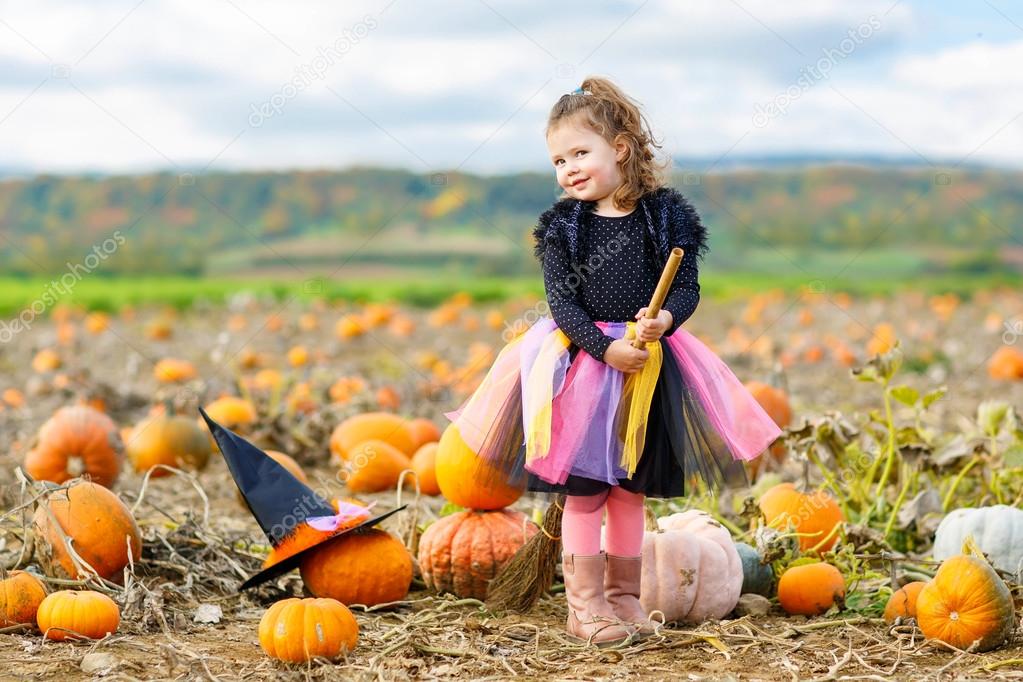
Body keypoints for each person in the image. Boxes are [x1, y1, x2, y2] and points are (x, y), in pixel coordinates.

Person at [445, 76, 782, 645]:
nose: (568, 168)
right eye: (558, 159)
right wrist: (606, 347)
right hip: (583, 370)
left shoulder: (664, 219)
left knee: (630, 489)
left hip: (649, 369)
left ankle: (625, 599)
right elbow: (563, 306)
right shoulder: (564, 230)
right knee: (587, 491)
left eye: (580, 153)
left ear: (620, 148)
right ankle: (585, 606)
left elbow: (687, 289)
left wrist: (665, 321)